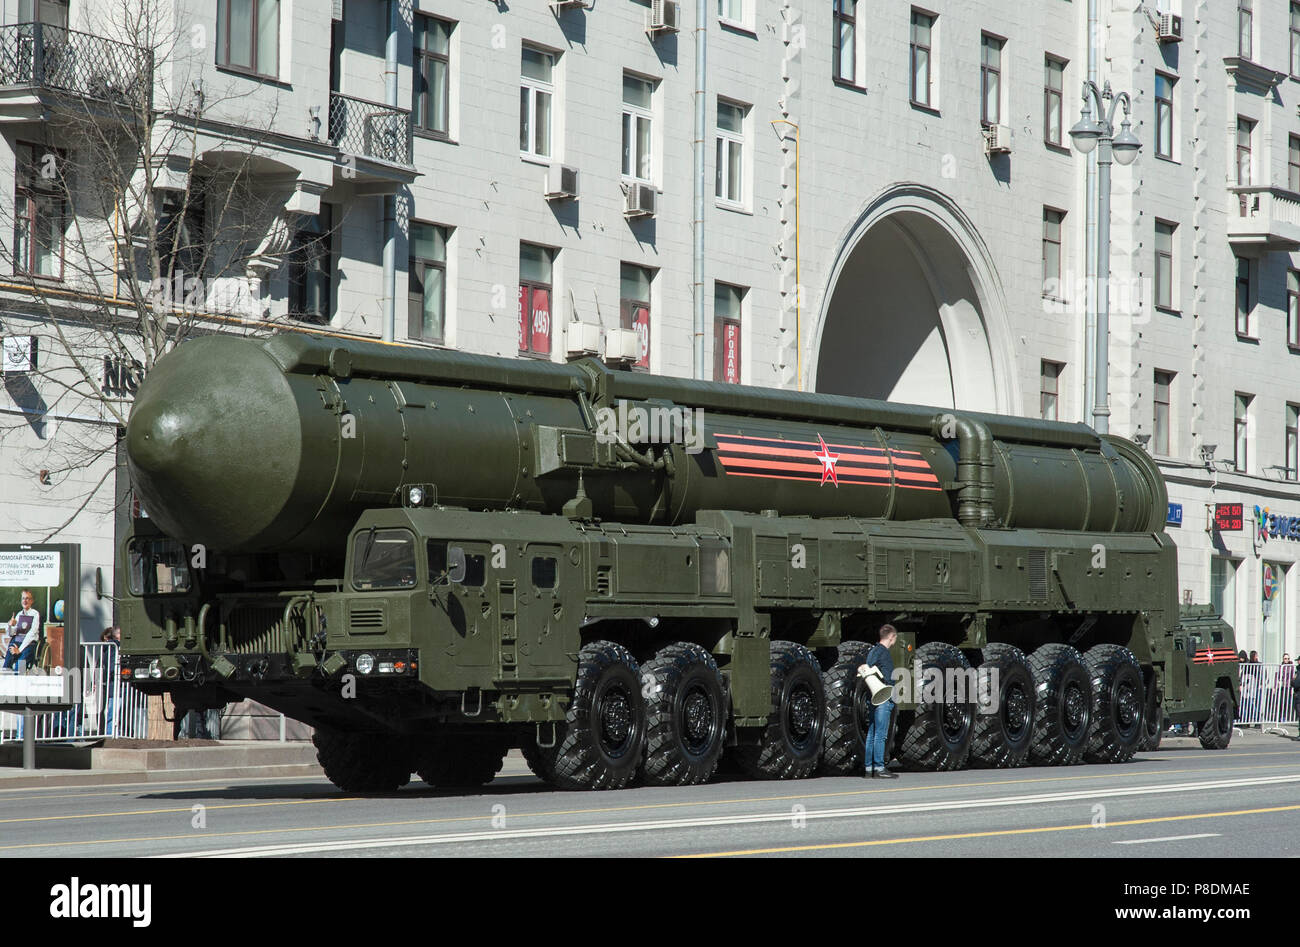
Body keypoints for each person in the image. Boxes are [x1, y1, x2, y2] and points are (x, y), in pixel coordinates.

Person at [861, 624, 899, 779]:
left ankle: (869, 768)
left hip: (873, 695)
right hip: (883, 696)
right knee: (880, 734)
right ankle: (879, 768)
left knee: (872, 732)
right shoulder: (882, 652)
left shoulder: (874, 651)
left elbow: (866, 667)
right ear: (892, 637)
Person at [3, 589, 41, 671]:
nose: (25, 601)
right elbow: (11, 634)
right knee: (6, 666)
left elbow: (32, 634)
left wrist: (19, 650)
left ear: (32, 601)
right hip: (17, 642)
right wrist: (10, 625)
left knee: (19, 668)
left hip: (29, 644)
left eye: (27, 598)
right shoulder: (19, 614)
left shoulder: (35, 614)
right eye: (23, 598)